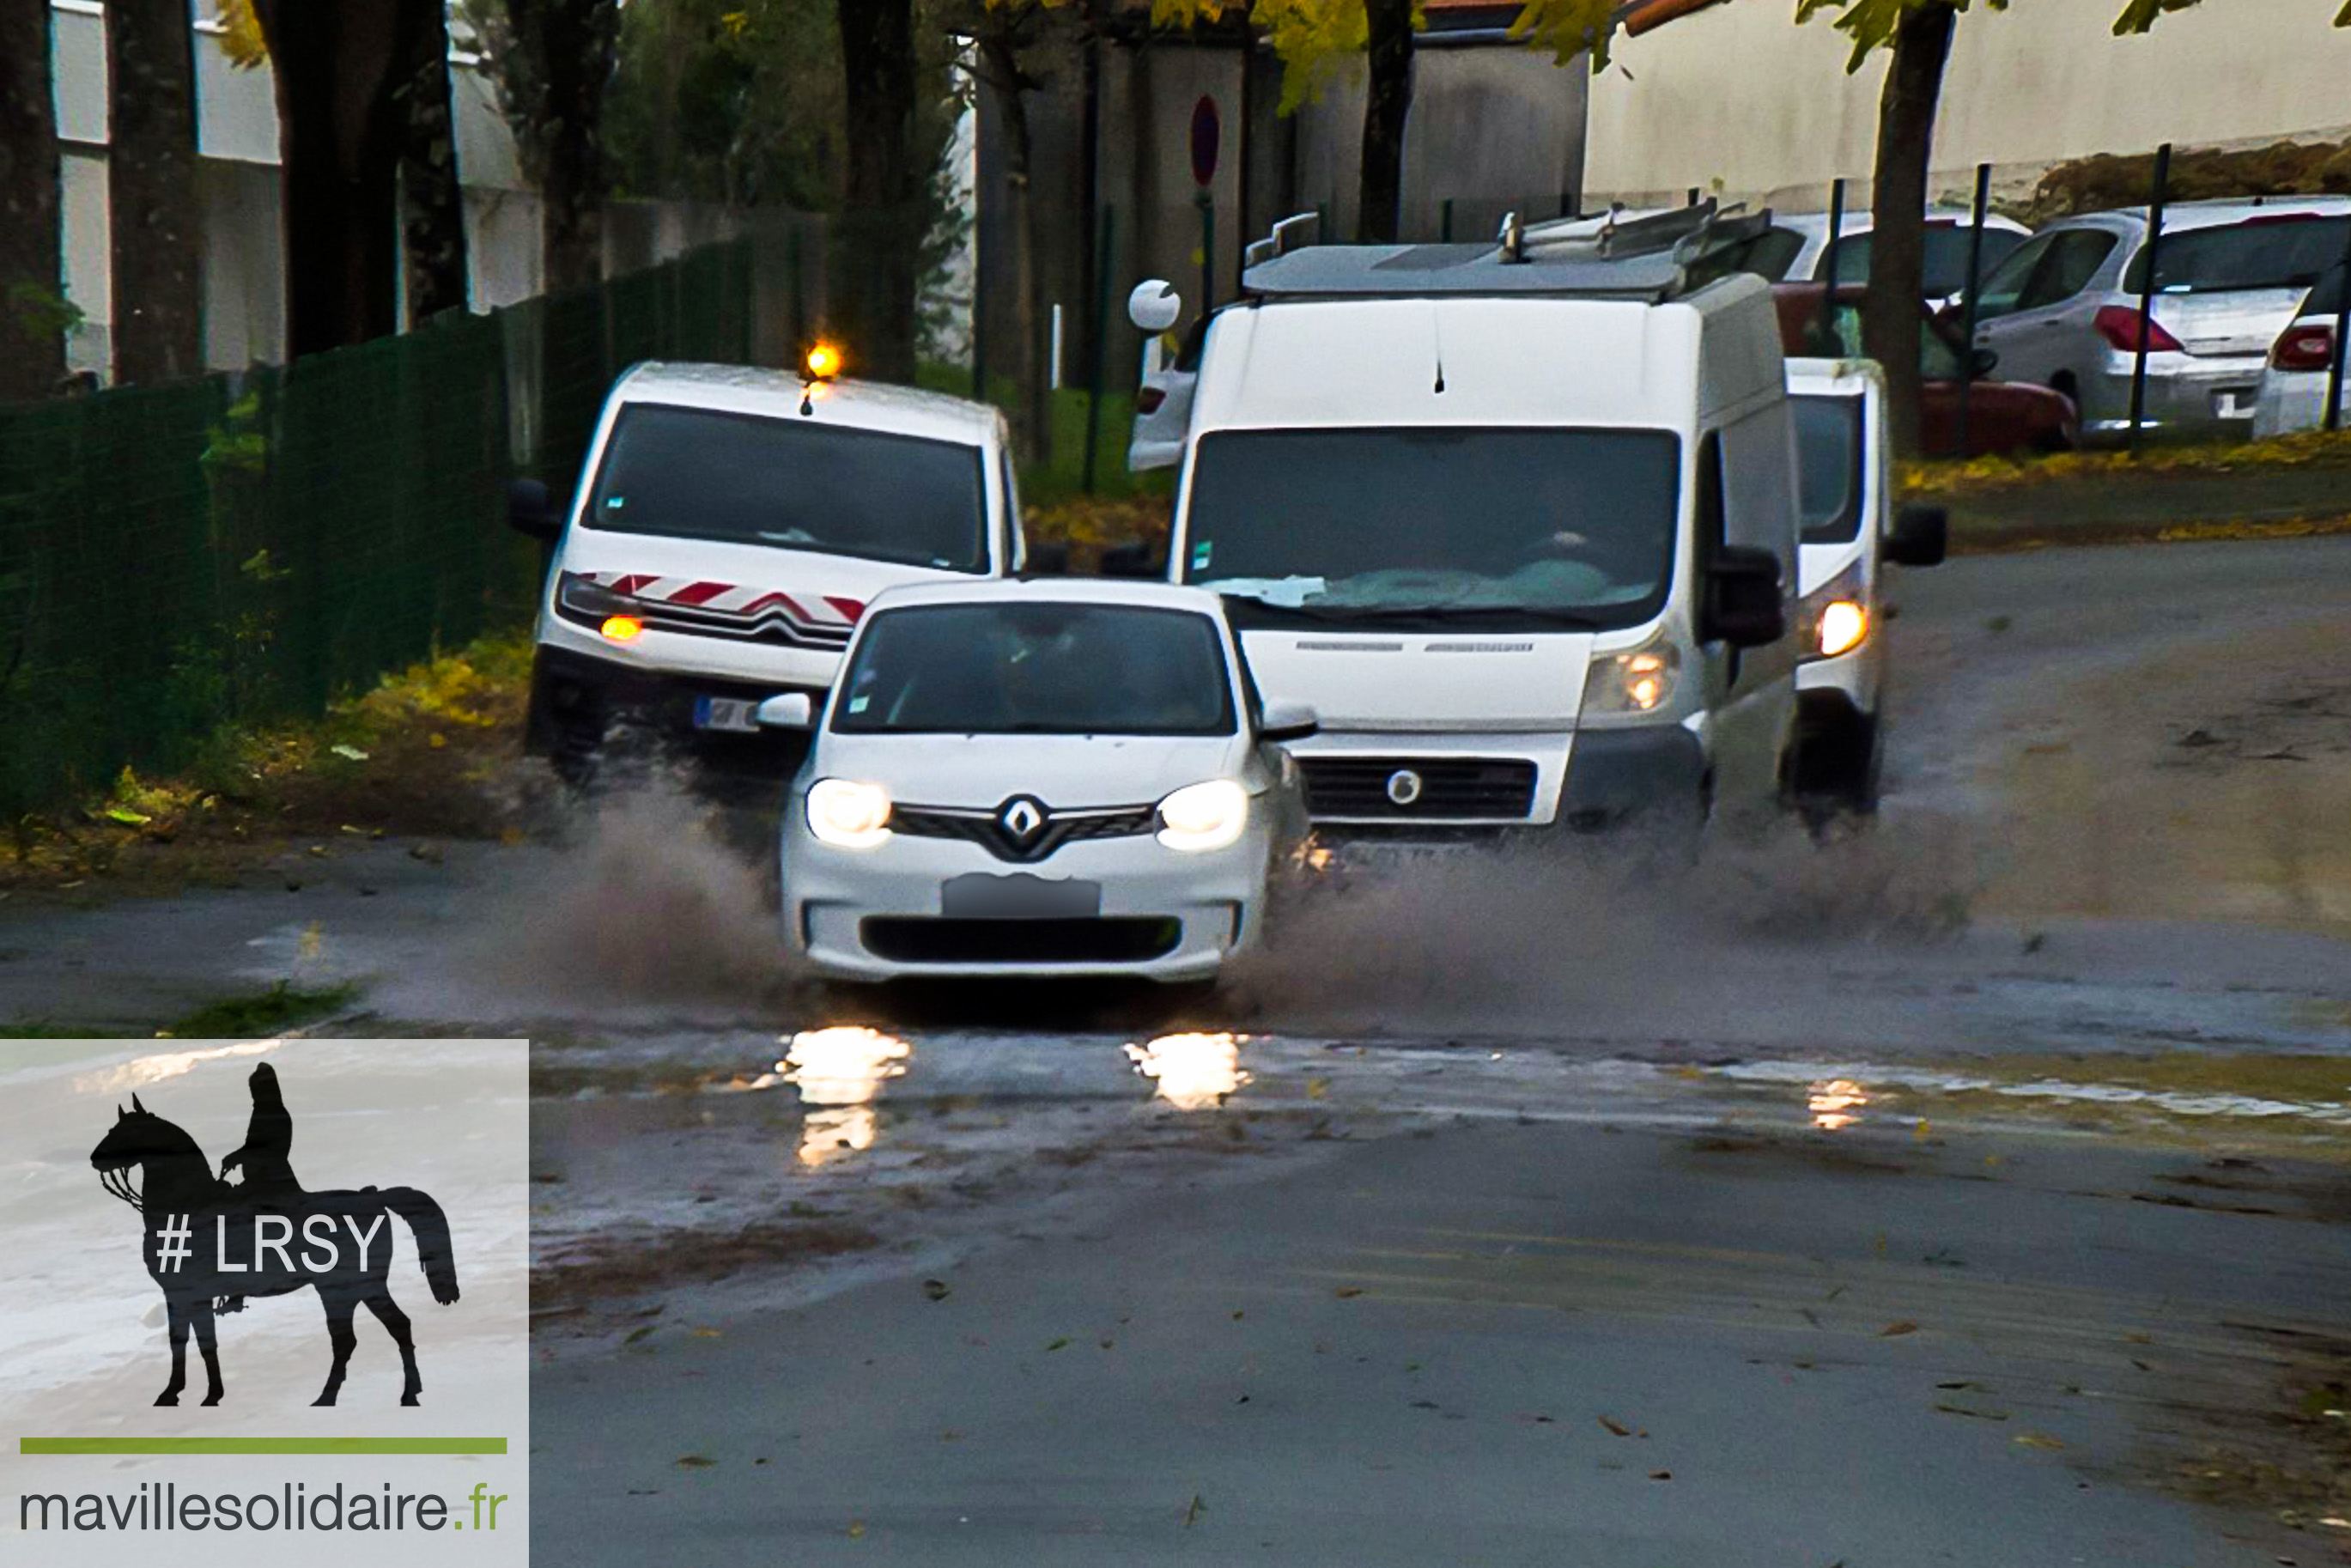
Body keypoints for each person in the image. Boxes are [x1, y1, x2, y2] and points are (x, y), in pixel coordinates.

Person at [216, 1062, 303, 1314]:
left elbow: (270, 1151)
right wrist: (239, 1156)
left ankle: (236, 1287)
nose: (255, 1095)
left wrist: (240, 1156)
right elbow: (252, 1146)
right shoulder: (262, 1112)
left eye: (258, 1090)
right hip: (258, 1180)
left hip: (272, 1182)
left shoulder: (276, 1114)